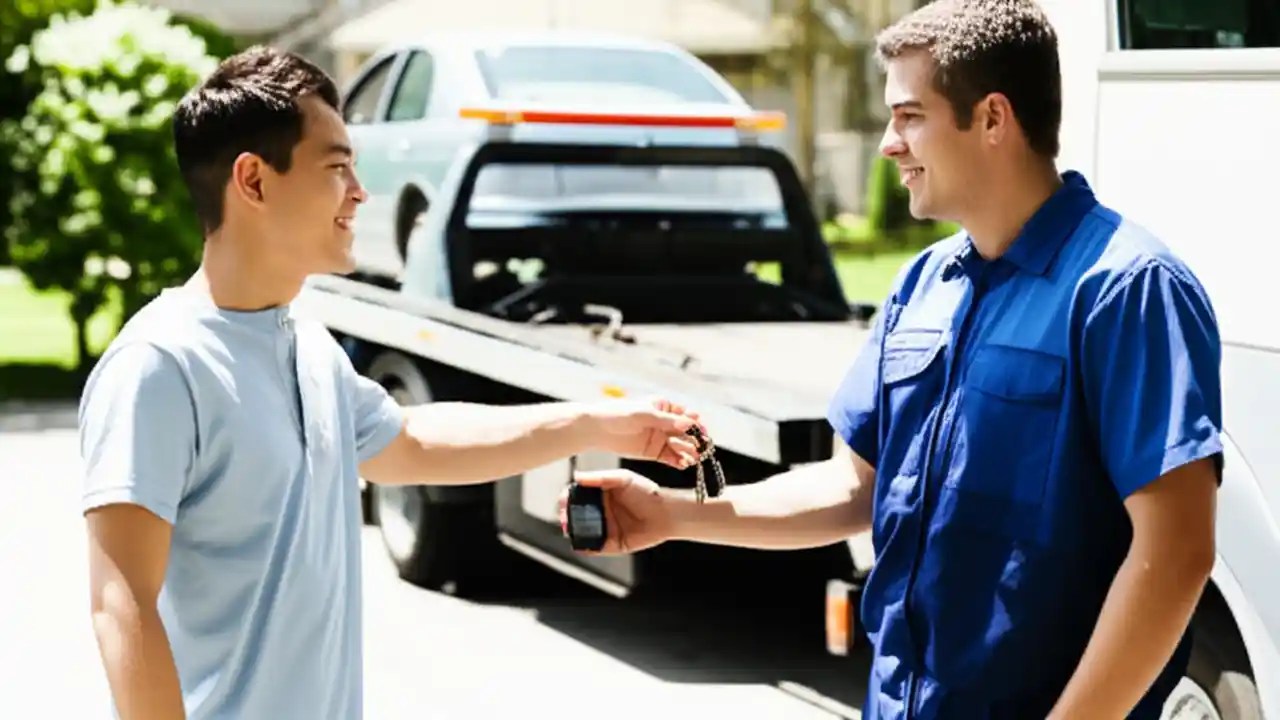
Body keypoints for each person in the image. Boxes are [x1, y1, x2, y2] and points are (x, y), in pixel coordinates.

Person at [562, 1, 1224, 718]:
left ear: (993, 119)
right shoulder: (922, 286)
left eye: (909, 116)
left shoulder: (1126, 290)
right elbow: (854, 486)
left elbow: (1177, 552)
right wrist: (673, 514)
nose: (887, 144)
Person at [77, 45, 705, 720]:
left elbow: (409, 442)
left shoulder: (306, 346)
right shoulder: (160, 365)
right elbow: (122, 604)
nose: (360, 192)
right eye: (336, 167)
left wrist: (591, 423)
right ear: (253, 181)